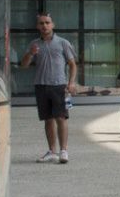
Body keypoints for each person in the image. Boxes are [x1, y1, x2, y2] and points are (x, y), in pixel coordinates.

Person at [18, 13, 78, 163]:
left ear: (53, 25)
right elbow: (24, 65)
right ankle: (52, 151)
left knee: (61, 117)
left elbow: (72, 64)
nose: (44, 26)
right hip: (41, 85)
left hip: (59, 85)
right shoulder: (34, 44)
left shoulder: (63, 43)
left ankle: (63, 151)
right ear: (38, 26)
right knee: (48, 119)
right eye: (41, 23)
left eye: (47, 22)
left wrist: (71, 82)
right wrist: (30, 54)